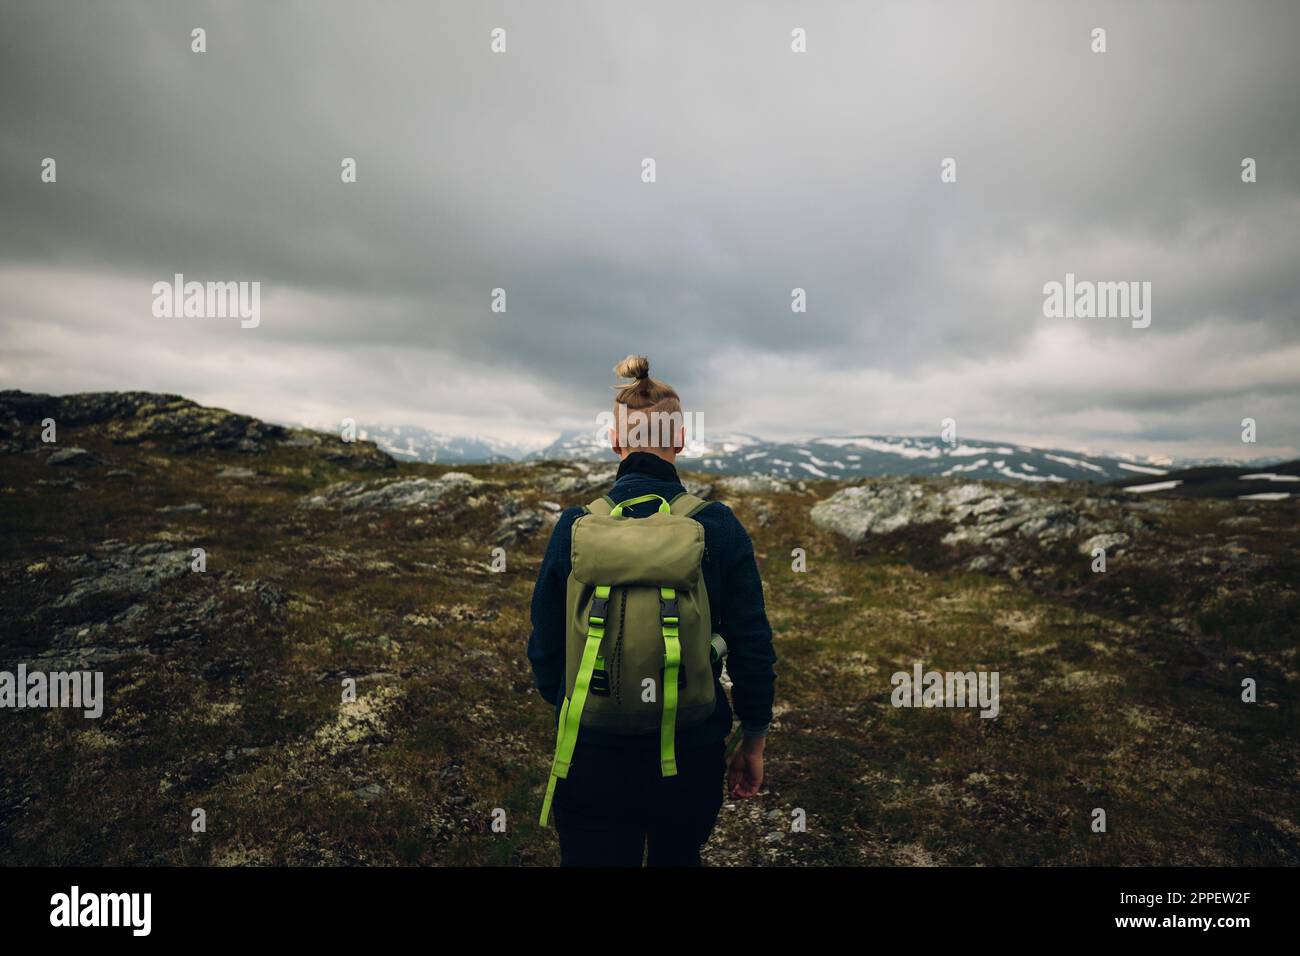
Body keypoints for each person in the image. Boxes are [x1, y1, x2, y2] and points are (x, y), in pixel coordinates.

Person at [528, 354, 777, 866]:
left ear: (616, 442)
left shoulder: (575, 525)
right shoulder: (718, 526)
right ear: (680, 439)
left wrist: (580, 705)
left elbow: (545, 645)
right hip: (688, 752)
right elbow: (751, 644)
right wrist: (752, 737)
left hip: (591, 749)